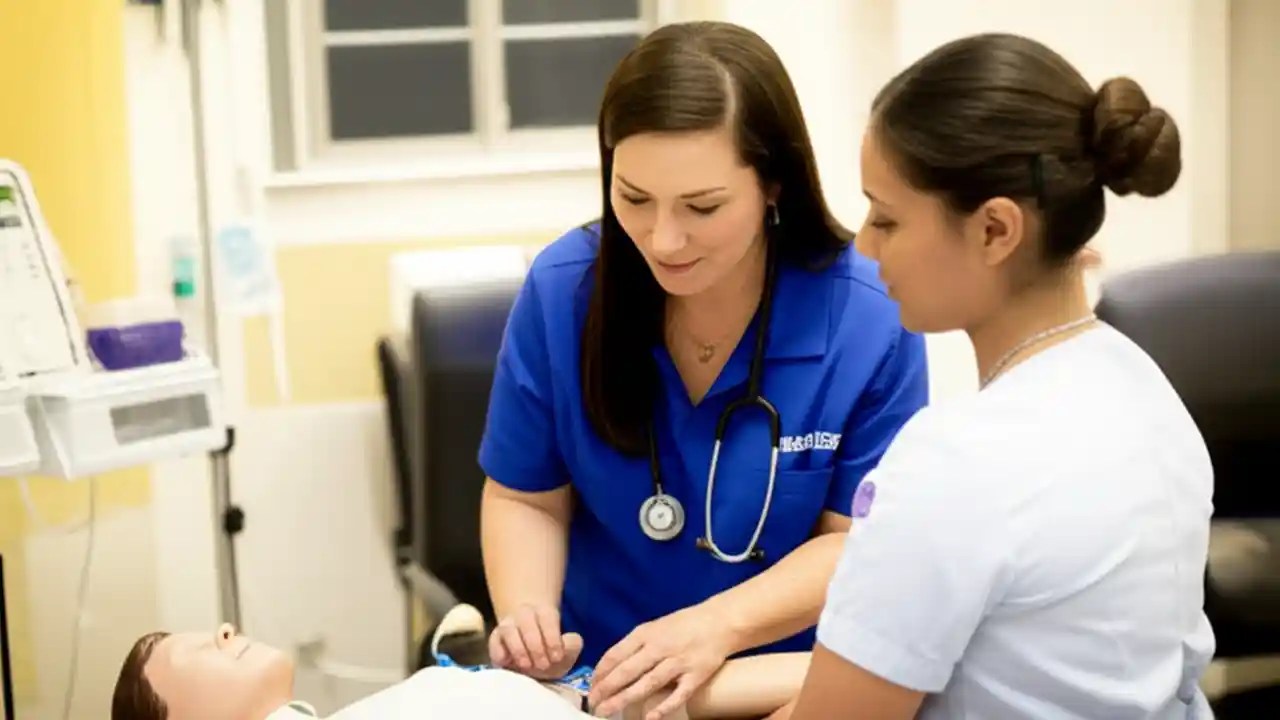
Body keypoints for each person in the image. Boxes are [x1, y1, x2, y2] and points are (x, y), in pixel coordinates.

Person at [477, 20, 929, 719]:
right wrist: (530, 615)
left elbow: (856, 543)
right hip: (600, 694)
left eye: (702, 206)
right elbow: (526, 496)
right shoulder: (564, 292)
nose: (663, 239)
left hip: (786, 689)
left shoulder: (868, 316)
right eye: (633, 198)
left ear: (773, 182)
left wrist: (714, 628)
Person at [778, 33, 1216, 719]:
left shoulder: (952, 465)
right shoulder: (1146, 390)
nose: (865, 245)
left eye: (886, 217)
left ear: (994, 231)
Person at [109, 614, 811, 719]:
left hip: (553, 696)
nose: (224, 628)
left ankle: (460, 660)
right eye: (196, 648)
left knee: (654, 681)